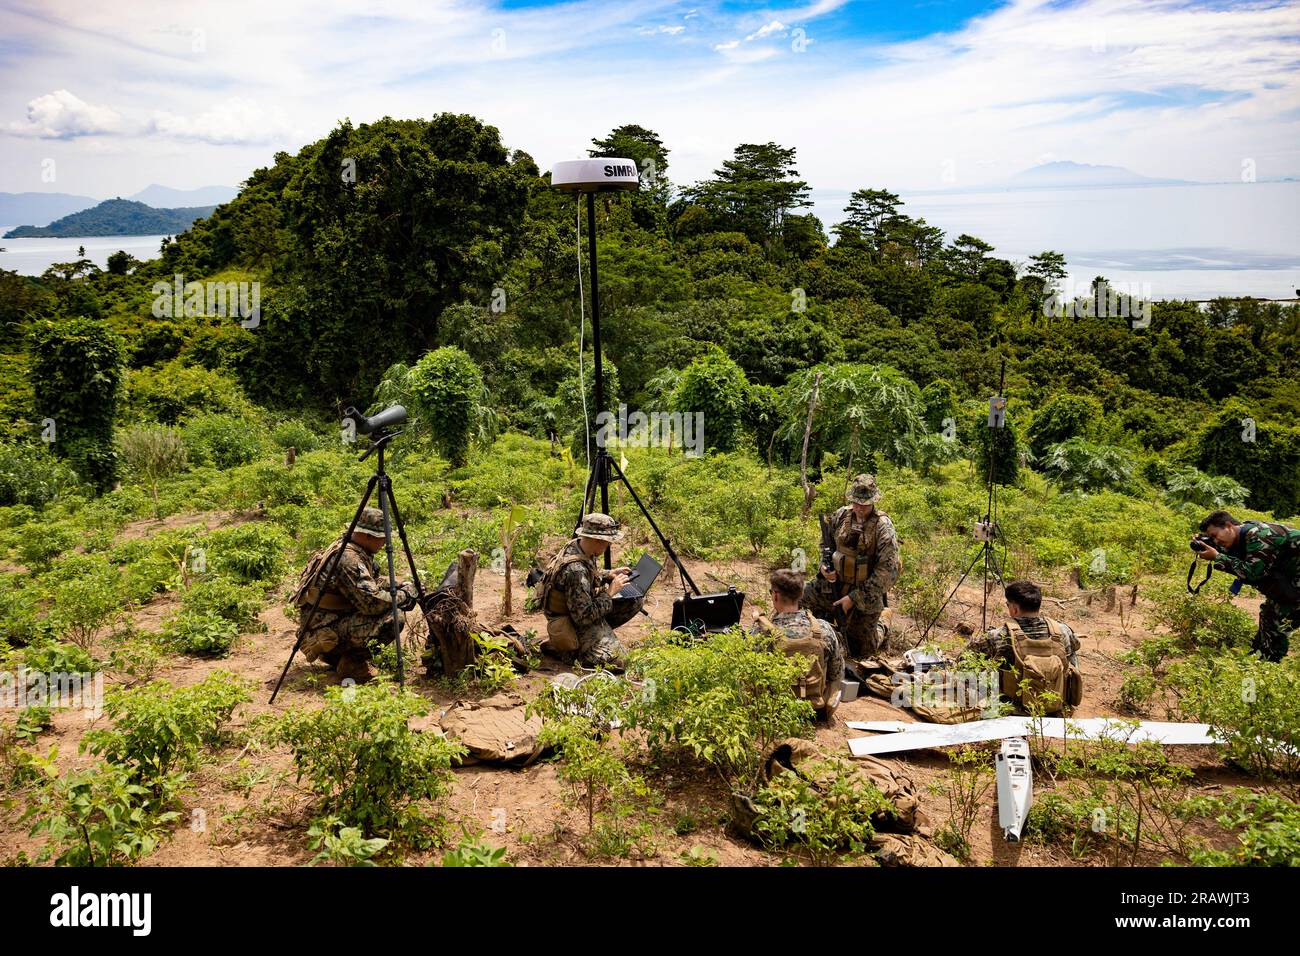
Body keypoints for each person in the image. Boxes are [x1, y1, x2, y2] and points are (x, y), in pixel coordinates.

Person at [291, 507, 417, 684]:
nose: (385, 544)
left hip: (328, 620)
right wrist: (405, 595)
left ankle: (337, 656)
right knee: (394, 618)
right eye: (383, 539)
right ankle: (351, 663)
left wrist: (398, 585)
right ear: (368, 536)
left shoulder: (349, 547)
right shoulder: (349, 559)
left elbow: (368, 582)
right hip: (325, 627)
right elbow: (372, 604)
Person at [803, 473, 901, 658]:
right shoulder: (841, 515)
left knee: (859, 652)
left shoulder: (883, 527)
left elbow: (888, 572)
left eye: (864, 504)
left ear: (873, 501)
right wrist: (824, 567)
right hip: (832, 585)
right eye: (856, 503)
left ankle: (883, 624)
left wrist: (853, 598)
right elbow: (825, 544)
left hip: (865, 594)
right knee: (797, 599)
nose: (859, 508)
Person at [538, 513, 644, 669]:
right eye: (607, 542)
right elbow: (583, 617)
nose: (608, 546)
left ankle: (598, 635)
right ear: (597, 540)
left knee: (634, 601)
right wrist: (609, 593)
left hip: (578, 610)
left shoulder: (579, 546)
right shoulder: (575, 570)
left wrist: (608, 574)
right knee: (619, 661)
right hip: (571, 622)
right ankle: (567, 649)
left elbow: (587, 576)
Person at [1193, 511, 1300, 661]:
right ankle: (1260, 656)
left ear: (1229, 526)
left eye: (1214, 536)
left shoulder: (1260, 535)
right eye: (1211, 538)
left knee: (1278, 619)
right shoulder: (1240, 537)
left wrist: (1217, 556)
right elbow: (1237, 558)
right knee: (1269, 615)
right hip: (1293, 576)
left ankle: (1269, 661)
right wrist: (1206, 545)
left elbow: (1253, 573)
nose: (1215, 541)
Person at [967, 580, 1082, 714]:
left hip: (1013, 711)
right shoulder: (1062, 630)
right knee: (1071, 651)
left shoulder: (998, 635)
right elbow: (1076, 645)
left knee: (979, 663)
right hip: (1057, 706)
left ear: (1014, 609)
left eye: (1007, 604)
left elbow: (964, 660)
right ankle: (1067, 703)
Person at [751, 569, 846, 719]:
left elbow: (749, 675)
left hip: (776, 713)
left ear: (775, 595)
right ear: (801, 595)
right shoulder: (823, 628)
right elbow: (837, 673)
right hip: (815, 710)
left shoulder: (761, 632)